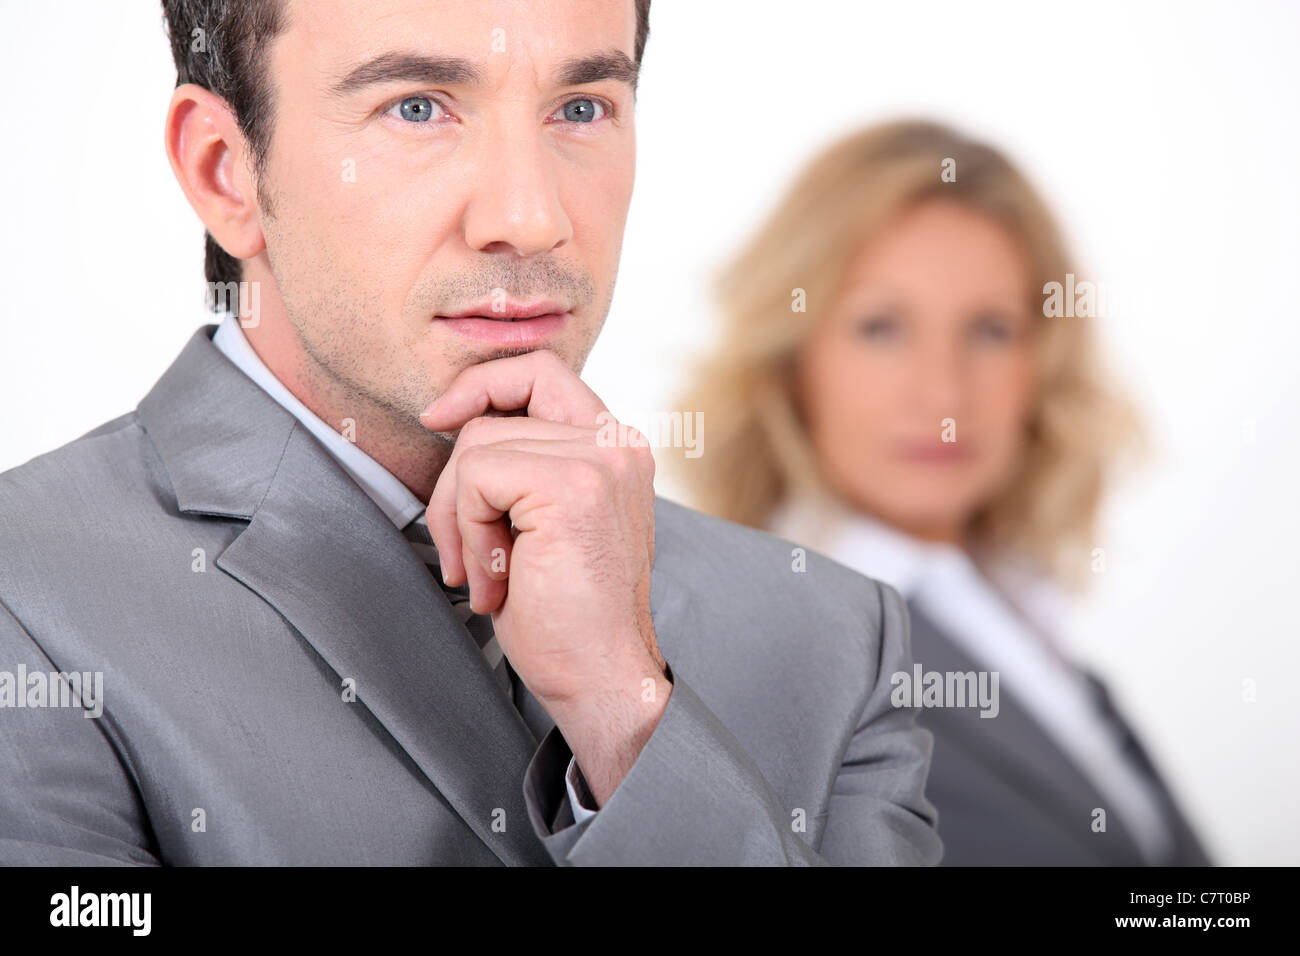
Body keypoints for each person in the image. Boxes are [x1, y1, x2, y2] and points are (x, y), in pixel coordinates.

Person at [0, 1, 941, 866]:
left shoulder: (830, 637)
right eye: (418, 108)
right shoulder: (27, 601)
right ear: (223, 169)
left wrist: (627, 714)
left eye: (580, 107)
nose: (530, 220)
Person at [678, 120, 1210, 865]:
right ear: (794, 360)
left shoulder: (1019, 615)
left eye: (991, 329)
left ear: (1042, 361)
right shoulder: (772, 663)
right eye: (882, 327)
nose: (944, 390)